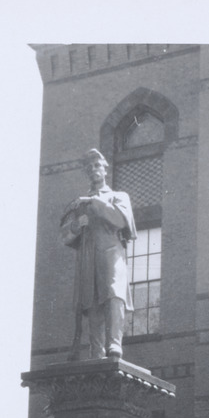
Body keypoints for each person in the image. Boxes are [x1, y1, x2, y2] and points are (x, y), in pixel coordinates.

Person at [60, 148, 137, 361]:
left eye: (97, 165)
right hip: (88, 256)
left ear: (105, 169)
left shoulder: (117, 197)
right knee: (91, 302)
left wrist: (94, 202)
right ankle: (97, 352)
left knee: (113, 295)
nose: (94, 170)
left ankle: (114, 345)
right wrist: (76, 225)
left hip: (111, 253)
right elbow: (64, 235)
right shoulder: (79, 204)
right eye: (90, 167)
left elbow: (121, 220)